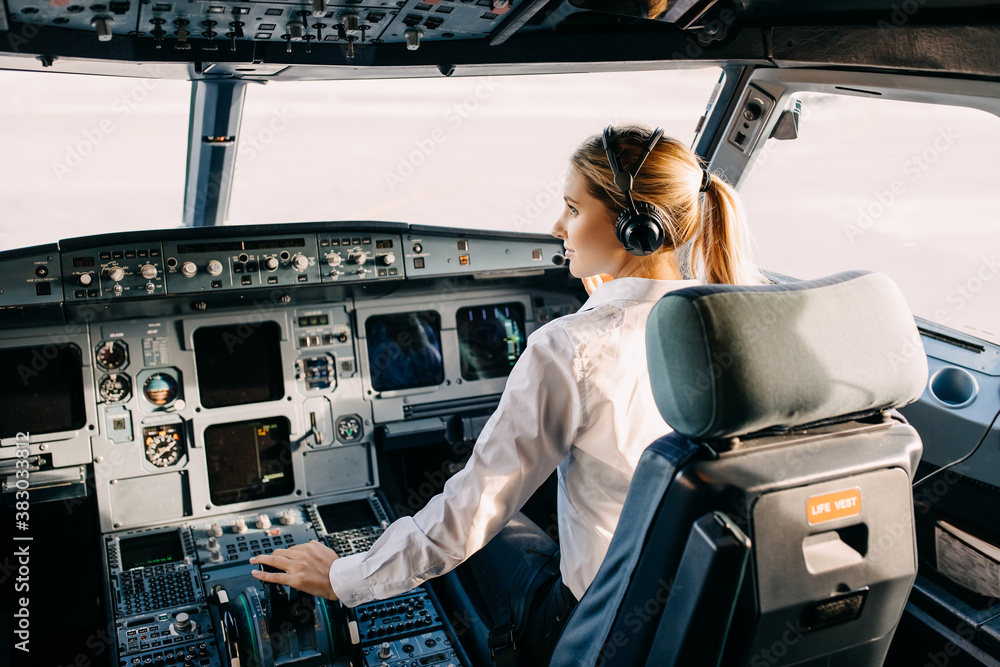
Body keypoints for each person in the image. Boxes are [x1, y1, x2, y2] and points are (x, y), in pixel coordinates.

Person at [250, 124, 758, 664]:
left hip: (594, 626)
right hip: (708, 611)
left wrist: (342, 577)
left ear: (636, 229)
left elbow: (471, 513)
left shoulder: (569, 348)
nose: (558, 225)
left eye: (573, 208)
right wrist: (610, 301)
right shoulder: (736, 322)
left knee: (468, 500)